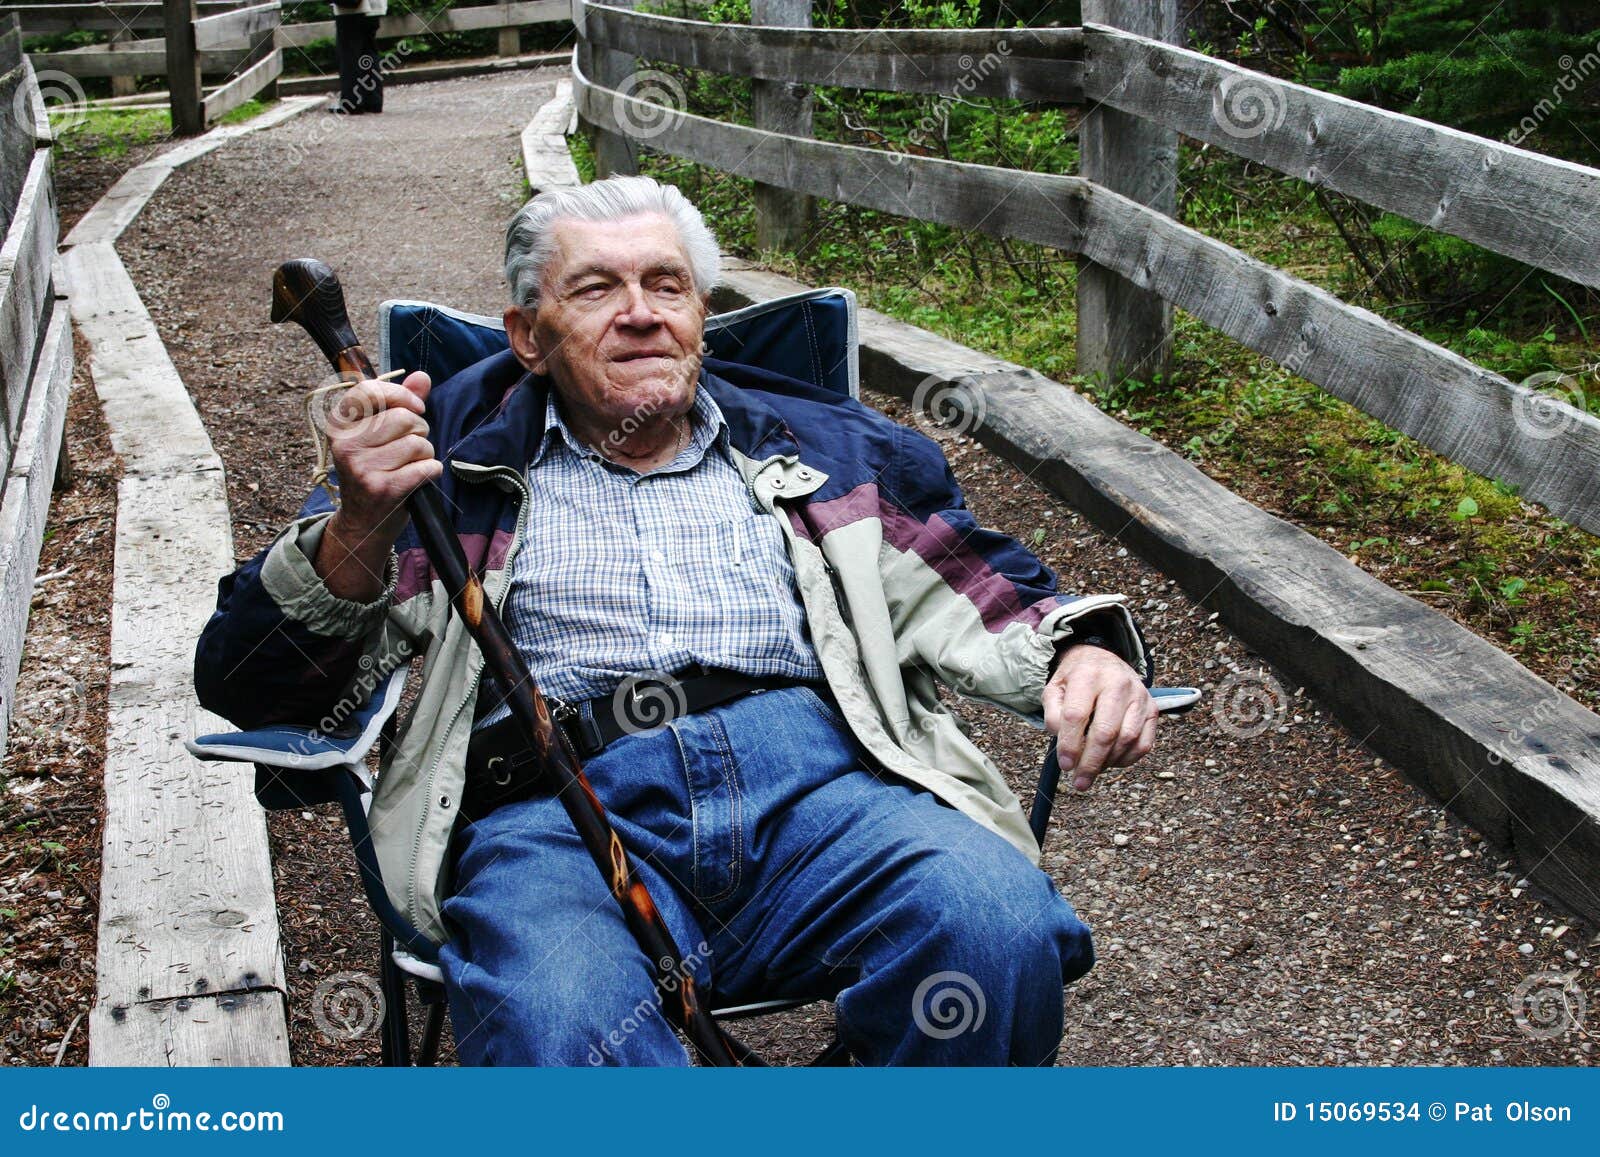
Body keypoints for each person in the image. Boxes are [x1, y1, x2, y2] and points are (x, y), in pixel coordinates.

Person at [194, 175, 1161, 1066]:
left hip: (825, 796)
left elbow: (972, 578)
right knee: (561, 1020)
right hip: (559, 813)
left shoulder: (823, 446)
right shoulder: (441, 468)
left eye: (667, 284)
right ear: (526, 336)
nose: (641, 312)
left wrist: (1079, 647)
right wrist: (360, 526)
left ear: (701, 312)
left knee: (993, 925)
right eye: (596, 289)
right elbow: (256, 683)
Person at [330, 0, 386, 114]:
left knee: (349, 56)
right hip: (374, 8)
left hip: (352, 10)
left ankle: (352, 102)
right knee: (369, 53)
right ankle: (373, 101)